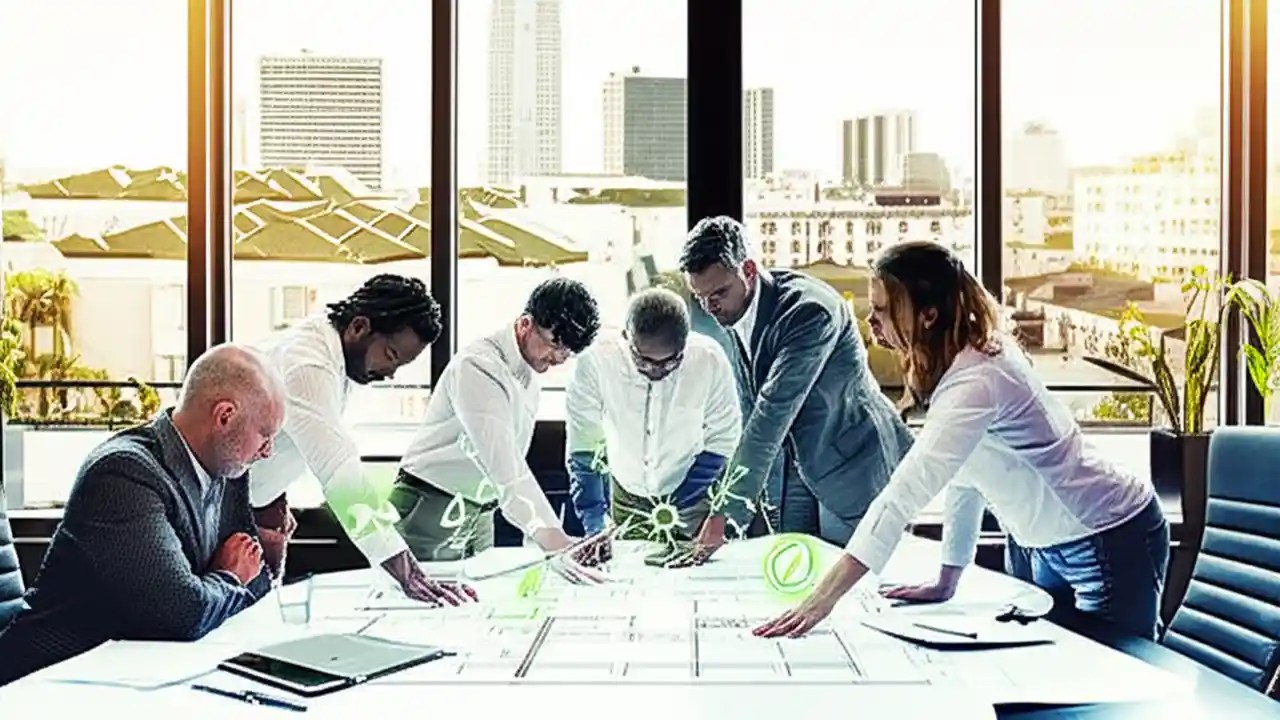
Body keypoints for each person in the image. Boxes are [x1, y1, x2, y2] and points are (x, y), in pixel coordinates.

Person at [754, 241, 1169, 641]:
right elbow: (966, 473)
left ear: (928, 315)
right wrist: (947, 578)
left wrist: (822, 599)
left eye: (882, 310)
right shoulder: (956, 366)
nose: (871, 320)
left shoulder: (979, 379)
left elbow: (903, 493)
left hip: (1105, 536)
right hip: (1036, 545)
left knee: (1121, 674)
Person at [0, 345, 286, 686]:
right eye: (265, 434)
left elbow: (255, 584)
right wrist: (228, 577)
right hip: (49, 680)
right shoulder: (123, 473)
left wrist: (247, 565)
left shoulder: (228, 467)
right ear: (224, 416)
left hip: (144, 674)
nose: (268, 452)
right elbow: (183, 612)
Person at [673, 215, 913, 564]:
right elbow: (746, 407)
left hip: (852, 466)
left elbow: (770, 413)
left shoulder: (810, 312)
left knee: (851, 583)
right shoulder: (731, 309)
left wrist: (725, 514)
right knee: (791, 577)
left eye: (719, 293)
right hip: (792, 472)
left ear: (749, 270)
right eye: (701, 296)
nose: (710, 307)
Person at [250, 274, 475, 607]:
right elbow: (341, 474)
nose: (390, 373)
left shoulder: (336, 351)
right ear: (359, 327)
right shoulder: (308, 365)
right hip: (217, 502)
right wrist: (408, 573)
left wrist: (272, 498)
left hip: (257, 501)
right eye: (390, 354)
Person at [394, 277, 608, 571]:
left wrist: (553, 537)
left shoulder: (528, 373)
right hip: (429, 504)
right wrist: (554, 539)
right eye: (555, 344)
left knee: (476, 597)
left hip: (479, 511)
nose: (559, 358)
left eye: (568, 352)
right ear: (525, 324)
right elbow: (506, 465)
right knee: (410, 596)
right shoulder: (479, 366)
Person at [566, 287, 742, 552]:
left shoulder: (709, 359)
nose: (657, 371)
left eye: (671, 362)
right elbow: (583, 445)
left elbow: (723, 437)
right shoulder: (594, 361)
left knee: (691, 569)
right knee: (627, 568)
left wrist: (681, 499)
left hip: (692, 496)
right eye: (644, 361)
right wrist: (594, 522)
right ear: (626, 337)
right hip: (626, 496)